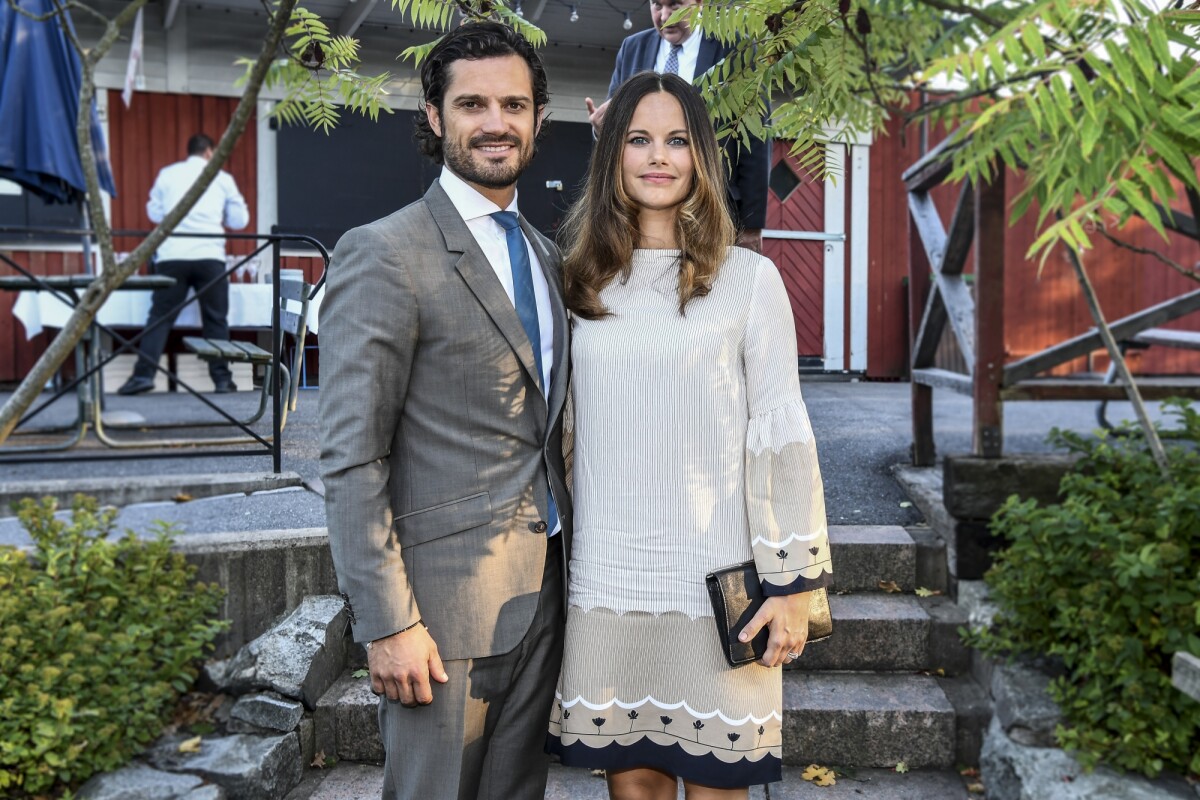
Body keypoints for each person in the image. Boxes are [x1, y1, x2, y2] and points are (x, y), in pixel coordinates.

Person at [547, 72, 832, 799]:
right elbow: (565, 437)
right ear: (611, 153)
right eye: (638, 139)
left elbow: (781, 431)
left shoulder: (750, 280)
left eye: (676, 140)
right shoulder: (576, 283)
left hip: (715, 583)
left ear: (701, 156)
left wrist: (794, 584)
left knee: (717, 788)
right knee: (633, 788)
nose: (658, 156)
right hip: (609, 583)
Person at [318, 21, 571, 800]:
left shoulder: (549, 256)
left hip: (545, 594)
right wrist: (388, 621)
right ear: (433, 116)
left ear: (537, 118)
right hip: (438, 613)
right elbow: (352, 454)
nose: (497, 122)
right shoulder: (384, 251)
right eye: (472, 104)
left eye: (514, 105)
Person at [586, 0, 770, 252]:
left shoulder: (736, 49)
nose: (665, 17)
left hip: (714, 209)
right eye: (657, 5)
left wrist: (752, 225)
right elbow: (617, 130)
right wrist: (602, 131)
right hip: (639, 215)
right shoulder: (633, 48)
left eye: (675, 6)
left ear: (700, 3)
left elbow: (756, 138)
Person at [117, 133, 249, 395]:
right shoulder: (221, 178)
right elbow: (239, 220)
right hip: (209, 256)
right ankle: (222, 379)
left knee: (160, 317)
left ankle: (143, 375)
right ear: (209, 152)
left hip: (173, 255)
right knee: (215, 319)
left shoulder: (167, 174)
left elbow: (155, 213)